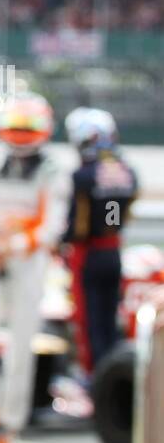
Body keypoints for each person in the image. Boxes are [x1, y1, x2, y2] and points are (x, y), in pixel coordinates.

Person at [0, 93, 68, 443]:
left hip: (29, 265)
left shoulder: (54, 171)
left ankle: (9, 425)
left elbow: (54, 227)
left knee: (21, 346)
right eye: (15, 129)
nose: (20, 137)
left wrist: (17, 244)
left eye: (27, 130)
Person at [62, 107, 137, 375]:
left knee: (90, 321)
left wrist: (63, 241)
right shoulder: (127, 171)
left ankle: (96, 380)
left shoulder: (83, 175)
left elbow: (77, 226)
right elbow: (118, 218)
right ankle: (111, 377)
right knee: (111, 317)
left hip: (90, 255)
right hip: (114, 252)